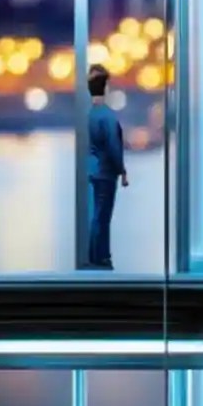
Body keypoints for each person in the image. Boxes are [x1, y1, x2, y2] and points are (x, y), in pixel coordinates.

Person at [86, 64, 128, 270]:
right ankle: (100, 257)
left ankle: (94, 255)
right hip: (105, 172)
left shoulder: (90, 114)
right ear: (106, 87)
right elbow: (113, 146)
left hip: (92, 170)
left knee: (96, 215)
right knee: (103, 216)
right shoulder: (108, 116)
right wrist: (122, 170)